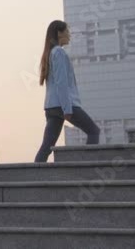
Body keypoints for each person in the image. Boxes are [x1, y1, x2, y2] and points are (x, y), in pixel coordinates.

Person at [34, 20, 101, 162]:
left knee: (46, 147)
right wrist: (67, 109)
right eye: (67, 32)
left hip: (51, 106)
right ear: (59, 33)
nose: (70, 35)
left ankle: (34, 178)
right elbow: (61, 83)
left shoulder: (51, 53)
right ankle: (88, 167)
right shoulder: (59, 53)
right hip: (63, 105)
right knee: (94, 131)